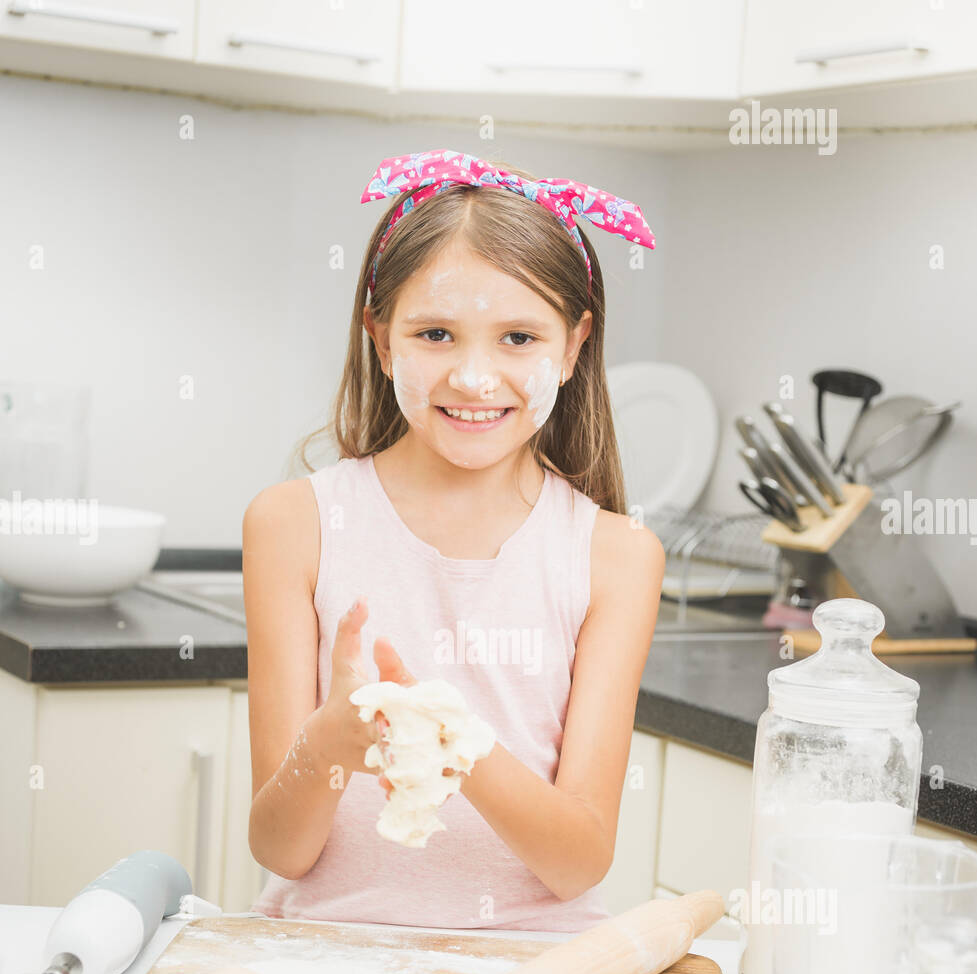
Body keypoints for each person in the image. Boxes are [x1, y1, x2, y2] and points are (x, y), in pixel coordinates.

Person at [243, 149, 664, 931]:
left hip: (531, 969)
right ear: (381, 339)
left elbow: (576, 863)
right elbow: (279, 850)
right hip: (327, 950)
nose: (474, 379)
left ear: (572, 348)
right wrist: (328, 746)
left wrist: (455, 742)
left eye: (517, 338)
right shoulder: (292, 523)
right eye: (435, 333)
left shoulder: (616, 555)